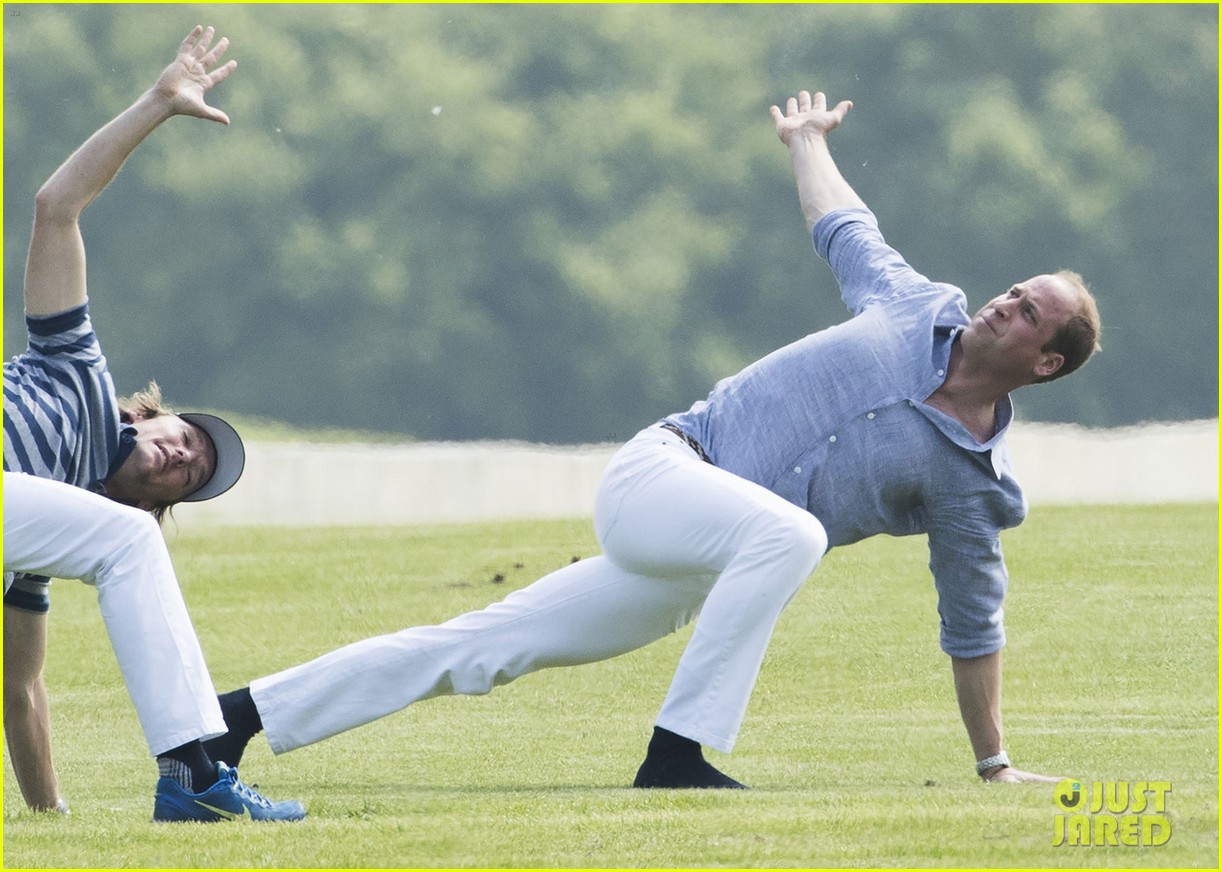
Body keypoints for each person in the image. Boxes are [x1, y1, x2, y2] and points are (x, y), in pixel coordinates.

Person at [204, 89, 1100, 789]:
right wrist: (807, 141)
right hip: (665, 473)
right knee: (794, 534)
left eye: (1029, 312)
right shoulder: (917, 303)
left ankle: (231, 720)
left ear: (1048, 364)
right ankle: (679, 754)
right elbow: (844, 228)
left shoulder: (975, 485)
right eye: (1014, 290)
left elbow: (972, 622)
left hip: (703, 560)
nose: (1005, 302)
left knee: (480, 649)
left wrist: (993, 764)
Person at [3, 25, 304, 822]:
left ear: (160, 499)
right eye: (187, 435)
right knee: (122, 545)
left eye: (193, 473)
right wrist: (157, 104)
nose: (182, 454)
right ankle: (196, 776)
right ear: (152, 412)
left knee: (118, 543)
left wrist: (51, 820)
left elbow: (20, 691)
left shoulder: (41, 551)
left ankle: (193, 777)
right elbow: (55, 207)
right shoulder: (72, 370)